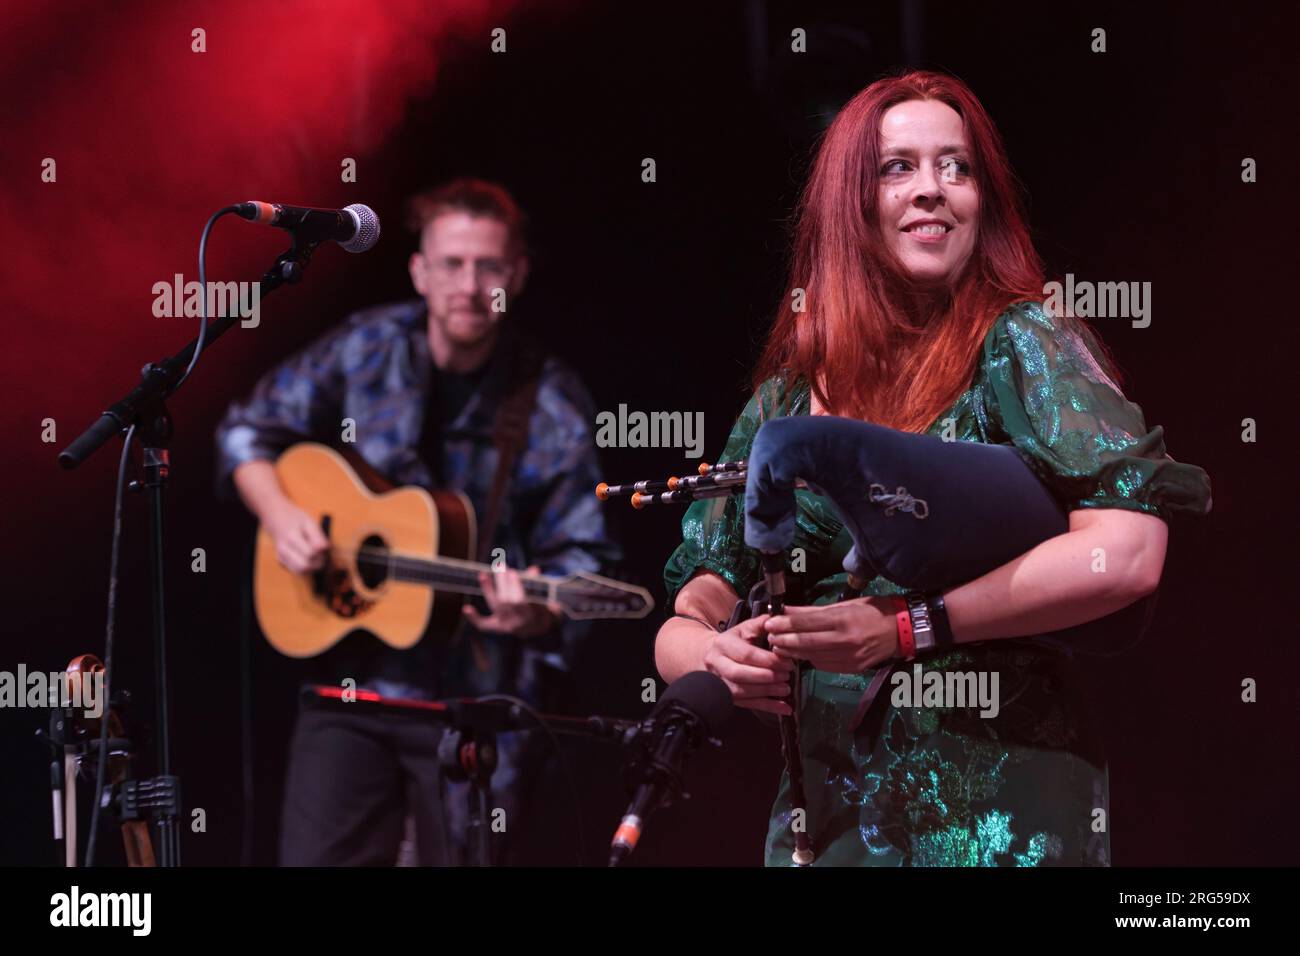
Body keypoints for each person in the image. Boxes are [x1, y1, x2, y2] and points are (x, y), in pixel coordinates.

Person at [655, 70, 1211, 867]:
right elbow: (691, 606)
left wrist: (905, 628)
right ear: (850, 201)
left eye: (957, 167)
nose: (932, 190)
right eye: (898, 167)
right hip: (828, 813)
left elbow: (1126, 553)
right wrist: (715, 655)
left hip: (992, 811)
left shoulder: (1021, 340)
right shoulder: (784, 398)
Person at [215, 178, 619, 865]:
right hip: (348, 682)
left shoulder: (550, 400)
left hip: (475, 705)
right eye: (452, 264)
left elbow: (586, 564)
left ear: (516, 276)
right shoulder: (366, 346)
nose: (469, 284)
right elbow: (244, 433)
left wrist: (538, 612)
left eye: (488, 265)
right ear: (419, 271)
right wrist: (281, 515)